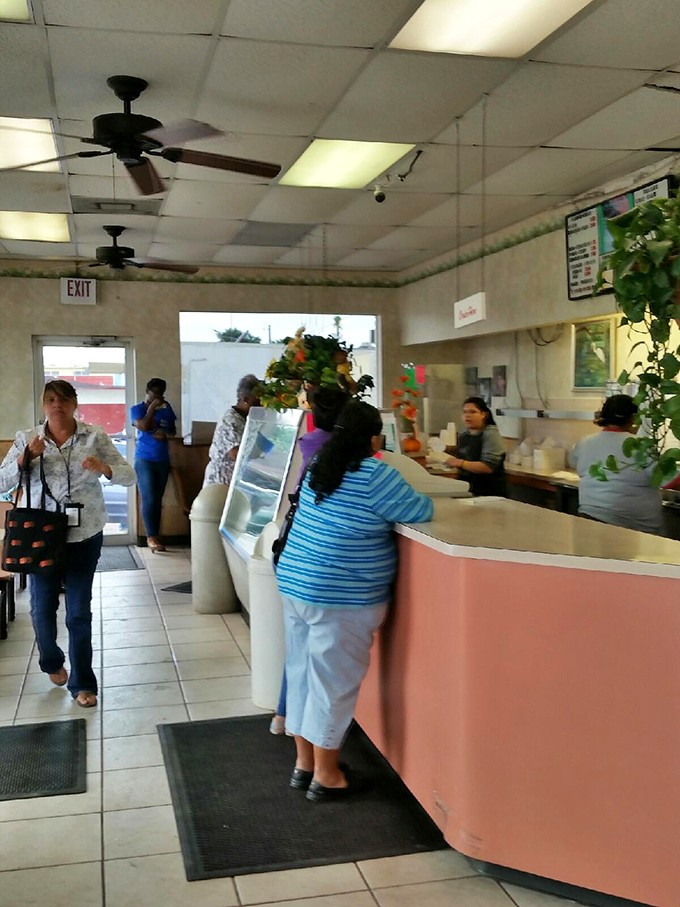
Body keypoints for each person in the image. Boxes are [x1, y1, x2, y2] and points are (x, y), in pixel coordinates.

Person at [275, 401, 434, 801]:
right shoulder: (377, 473)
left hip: (296, 584)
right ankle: (327, 775)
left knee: (301, 674)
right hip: (340, 595)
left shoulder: (319, 467)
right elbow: (421, 508)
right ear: (374, 438)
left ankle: (305, 764)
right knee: (333, 685)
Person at [0, 380, 136, 707]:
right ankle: (50, 660)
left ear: (75, 403)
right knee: (42, 606)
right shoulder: (27, 439)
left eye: (63, 400)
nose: (56, 405)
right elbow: (2, 481)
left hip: (84, 533)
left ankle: (83, 683)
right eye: (50, 400)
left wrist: (104, 468)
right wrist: (25, 460)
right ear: (43, 405)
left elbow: (128, 475)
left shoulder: (95, 436)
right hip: (42, 536)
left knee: (78, 611)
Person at [270, 385, 348, 736]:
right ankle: (302, 725)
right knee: (309, 652)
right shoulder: (338, 452)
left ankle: (286, 716)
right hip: (316, 564)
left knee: (298, 647)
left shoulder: (309, 440)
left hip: (291, 555)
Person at [568, 394, 664, 534]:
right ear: (634, 418)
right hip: (632, 532)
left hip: (588, 522)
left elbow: (573, 462)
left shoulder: (584, 443)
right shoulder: (642, 446)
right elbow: (669, 481)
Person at [130, 378, 177, 553]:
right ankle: (151, 537)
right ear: (147, 391)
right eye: (154, 393)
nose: (158, 397)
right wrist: (151, 408)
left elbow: (173, 429)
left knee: (158, 499)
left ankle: (156, 535)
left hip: (163, 459)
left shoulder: (167, 408)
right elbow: (142, 425)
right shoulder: (137, 409)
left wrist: (166, 434)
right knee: (149, 497)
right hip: (144, 459)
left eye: (161, 394)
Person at [202, 374, 260, 488]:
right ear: (246, 400)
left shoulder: (245, 418)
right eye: (257, 402)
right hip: (220, 483)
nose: (261, 405)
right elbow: (237, 454)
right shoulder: (231, 420)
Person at [444, 396, 506, 496]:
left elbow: (487, 467)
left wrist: (460, 463)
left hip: (488, 492)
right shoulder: (465, 433)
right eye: (465, 412)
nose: (467, 415)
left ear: (484, 414)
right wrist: (447, 449)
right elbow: (466, 452)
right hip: (468, 489)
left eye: (472, 412)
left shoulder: (490, 434)